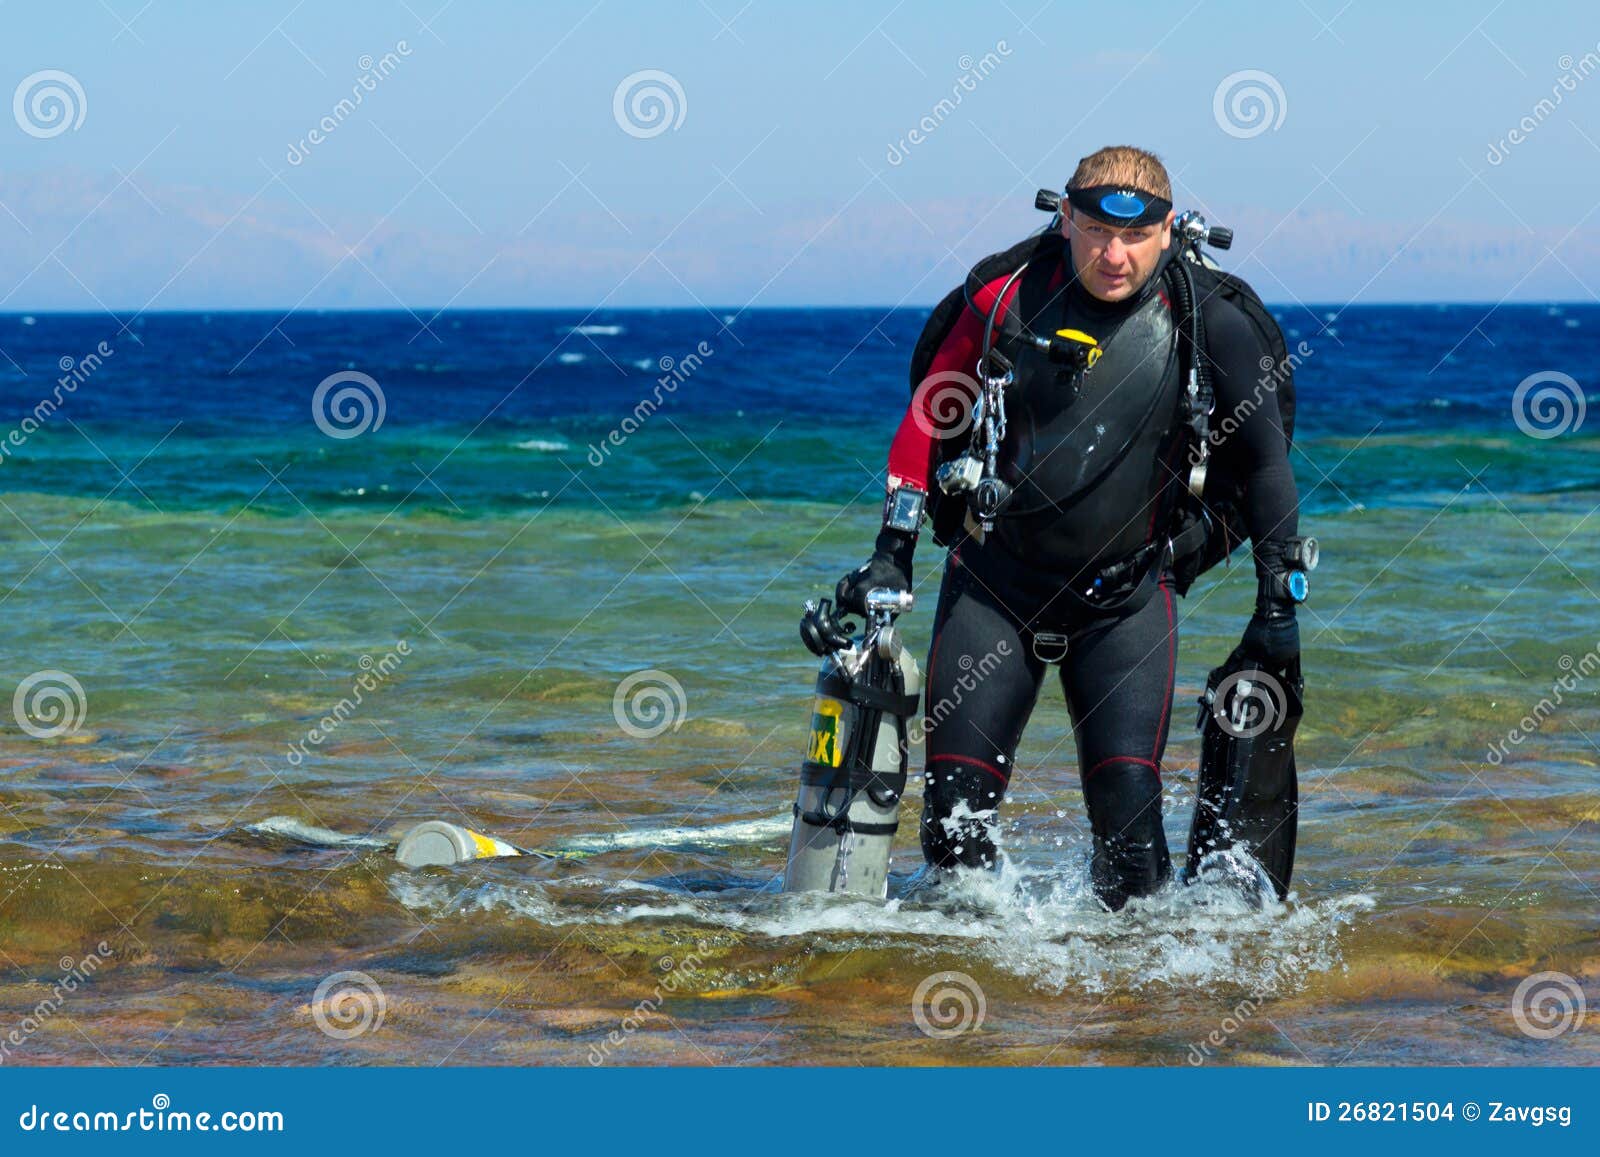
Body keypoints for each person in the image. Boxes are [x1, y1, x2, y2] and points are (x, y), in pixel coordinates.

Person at [836, 146, 1304, 910]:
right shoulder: (1004, 297)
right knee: (954, 836)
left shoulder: (1210, 320)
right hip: (995, 587)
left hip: (1123, 603)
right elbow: (929, 416)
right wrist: (893, 550)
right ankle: (961, 1014)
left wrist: (1278, 605)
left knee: (1130, 848)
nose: (1113, 255)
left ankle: (1129, 1018)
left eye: (1136, 236)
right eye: (1093, 231)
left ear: (1169, 230)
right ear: (1064, 218)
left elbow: (1264, 466)